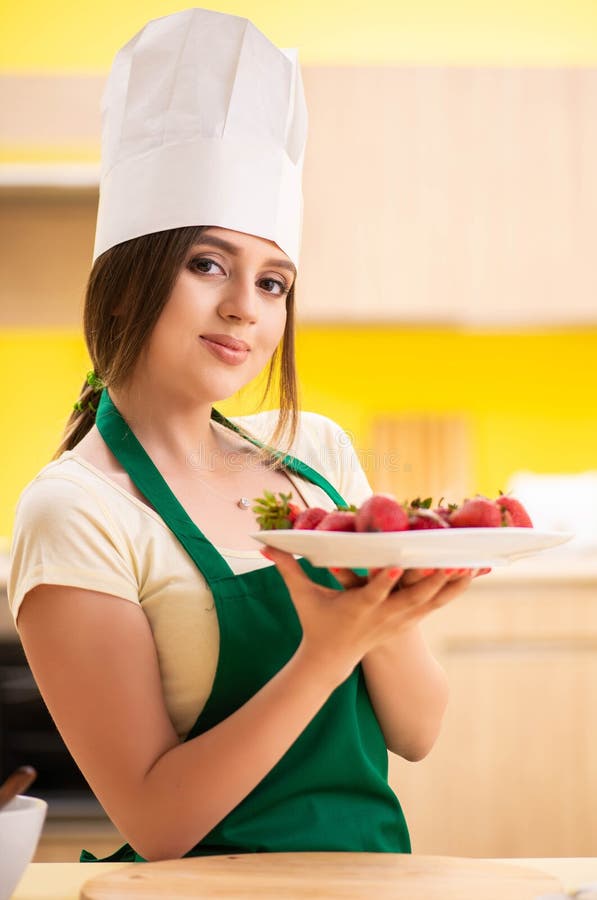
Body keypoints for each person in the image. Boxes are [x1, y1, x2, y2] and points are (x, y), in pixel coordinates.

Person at [7, 8, 482, 863]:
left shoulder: (316, 459)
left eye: (273, 283)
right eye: (207, 265)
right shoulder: (76, 510)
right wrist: (328, 651)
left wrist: (389, 615)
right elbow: (157, 824)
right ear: (124, 287)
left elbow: (418, 730)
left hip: (372, 881)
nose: (244, 308)